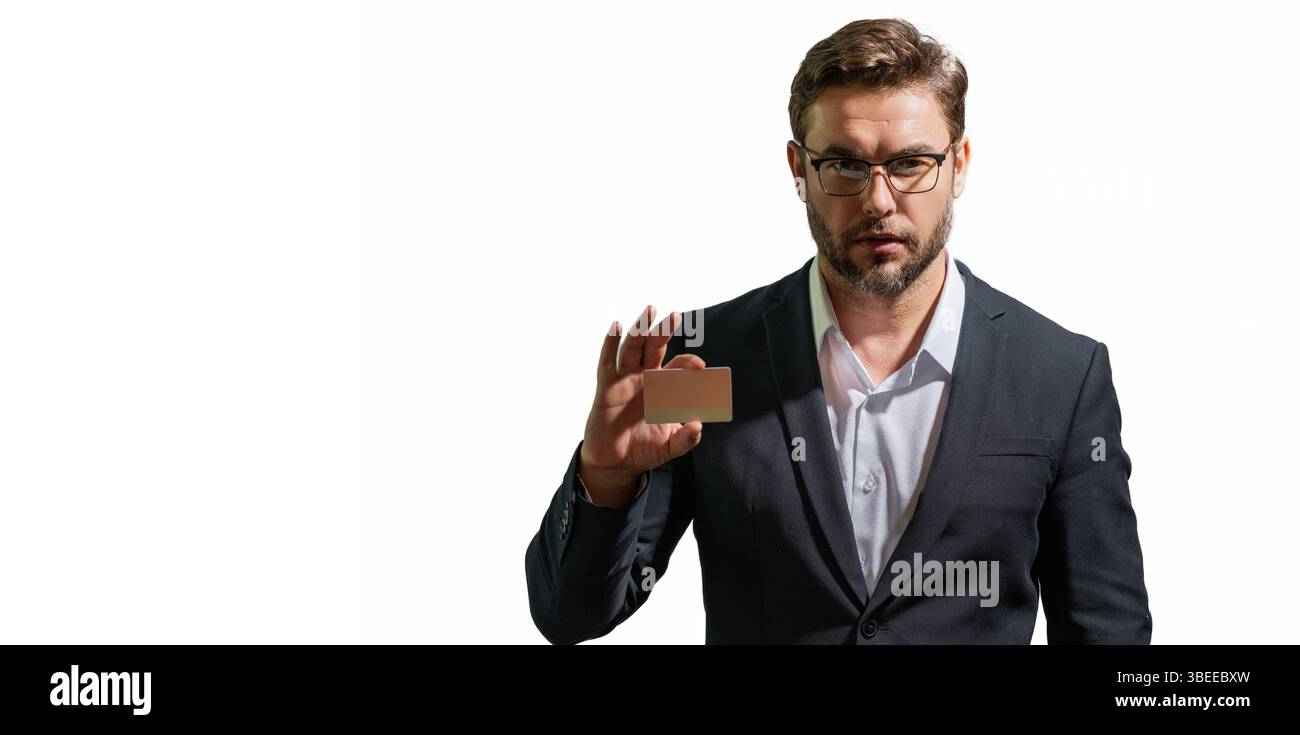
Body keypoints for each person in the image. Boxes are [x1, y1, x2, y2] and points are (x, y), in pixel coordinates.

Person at [525, 18, 1151, 644]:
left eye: (910, 164)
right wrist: (605, 479)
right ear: (799, 168)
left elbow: (1109, 635)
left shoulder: (1060, 376)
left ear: (958, 165)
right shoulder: (707, 363)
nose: (878, 200)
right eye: (845, 166)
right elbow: (570, 617)